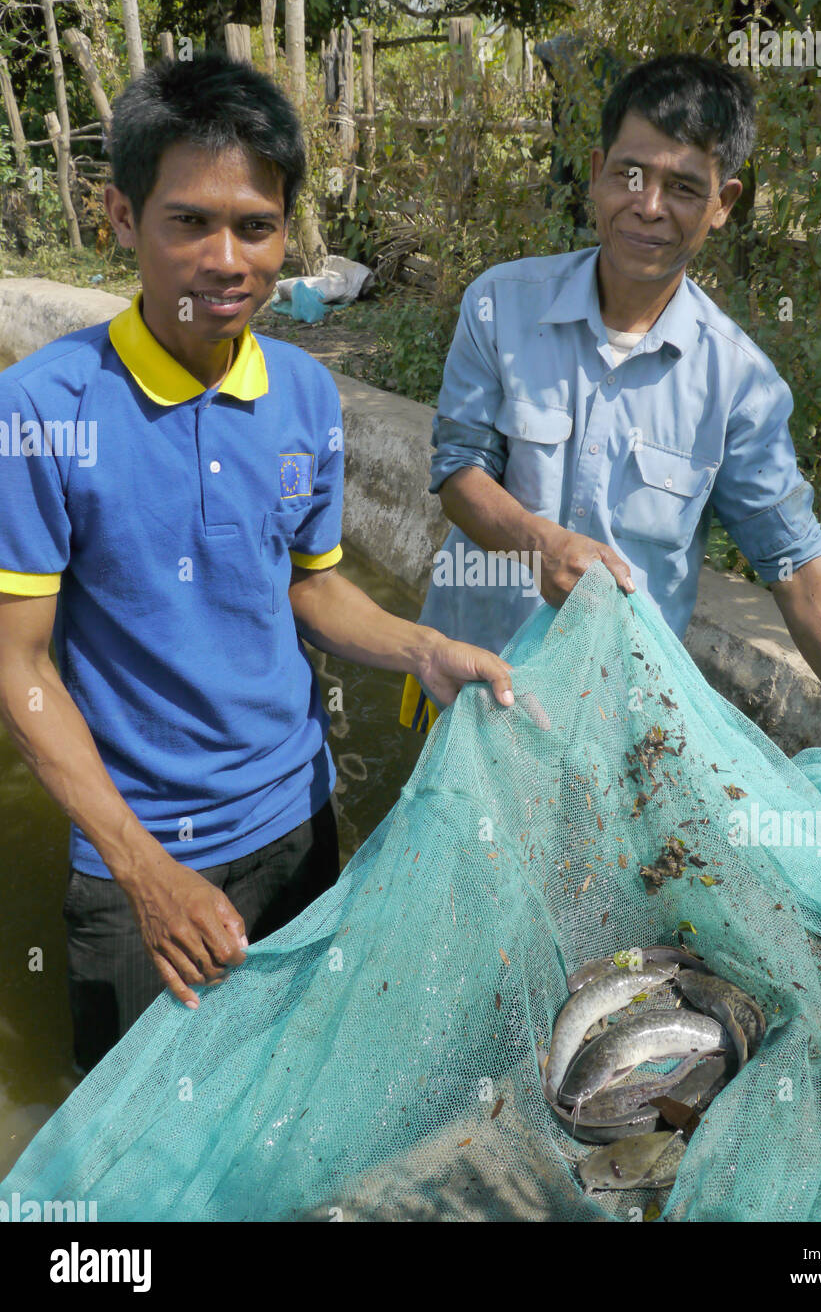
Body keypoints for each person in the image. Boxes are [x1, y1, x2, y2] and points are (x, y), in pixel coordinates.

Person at [0, 53, 513, 1074]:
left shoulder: (303, 396)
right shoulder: (43, 412)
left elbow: (311, 584)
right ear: (119, 216)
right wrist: (146, 875)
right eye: (189, 221)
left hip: (295, 819)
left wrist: (424, 648)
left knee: (290, 1086)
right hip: (134, 852)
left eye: (256, 226)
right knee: (137, 1141)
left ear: (287, 233)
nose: (226, 259)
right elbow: (21, 664)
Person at [400, 53, 821, 771]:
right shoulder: (498, 304)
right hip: (468, 686)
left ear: (723, 204)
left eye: (683, 187)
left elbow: (793, 560)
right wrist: (538, 543)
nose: (647, 205)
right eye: (629, 174)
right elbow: (460, 470)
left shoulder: (739, 381)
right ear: (594, 171)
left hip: (612, 725)